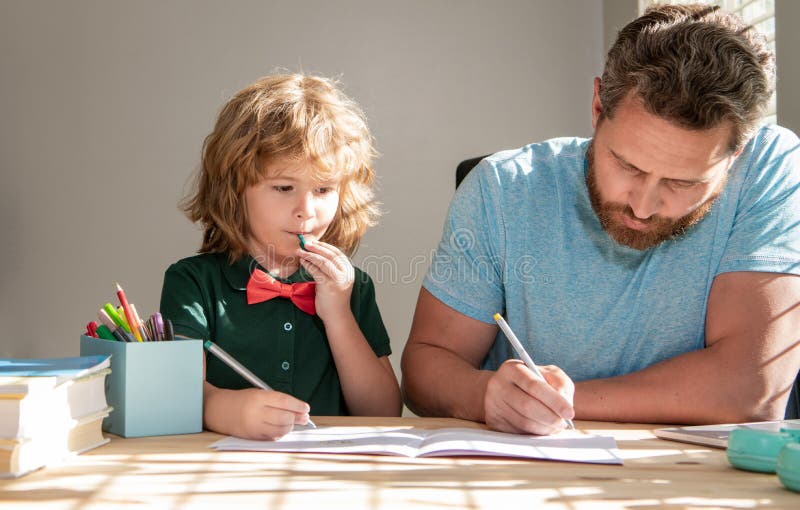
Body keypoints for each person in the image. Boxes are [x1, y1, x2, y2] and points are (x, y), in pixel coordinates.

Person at [401, 4, 800, 435]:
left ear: (735, 155)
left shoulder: (769, 166)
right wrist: (484, 396)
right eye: (627, 166)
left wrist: (562, 404)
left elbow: (750, 389)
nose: (644, 207)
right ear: (596, 107)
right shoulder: (501, 187)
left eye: (683, 183)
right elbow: (426, 366)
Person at [161, 74, 402, 440]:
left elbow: (383, 412)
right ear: (235, 186)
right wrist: (226, 409)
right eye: (284, 188)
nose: (306, 210)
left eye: (323, 189)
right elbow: (174, 394)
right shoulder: (192, 283)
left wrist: (338, 312)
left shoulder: (353, 286)